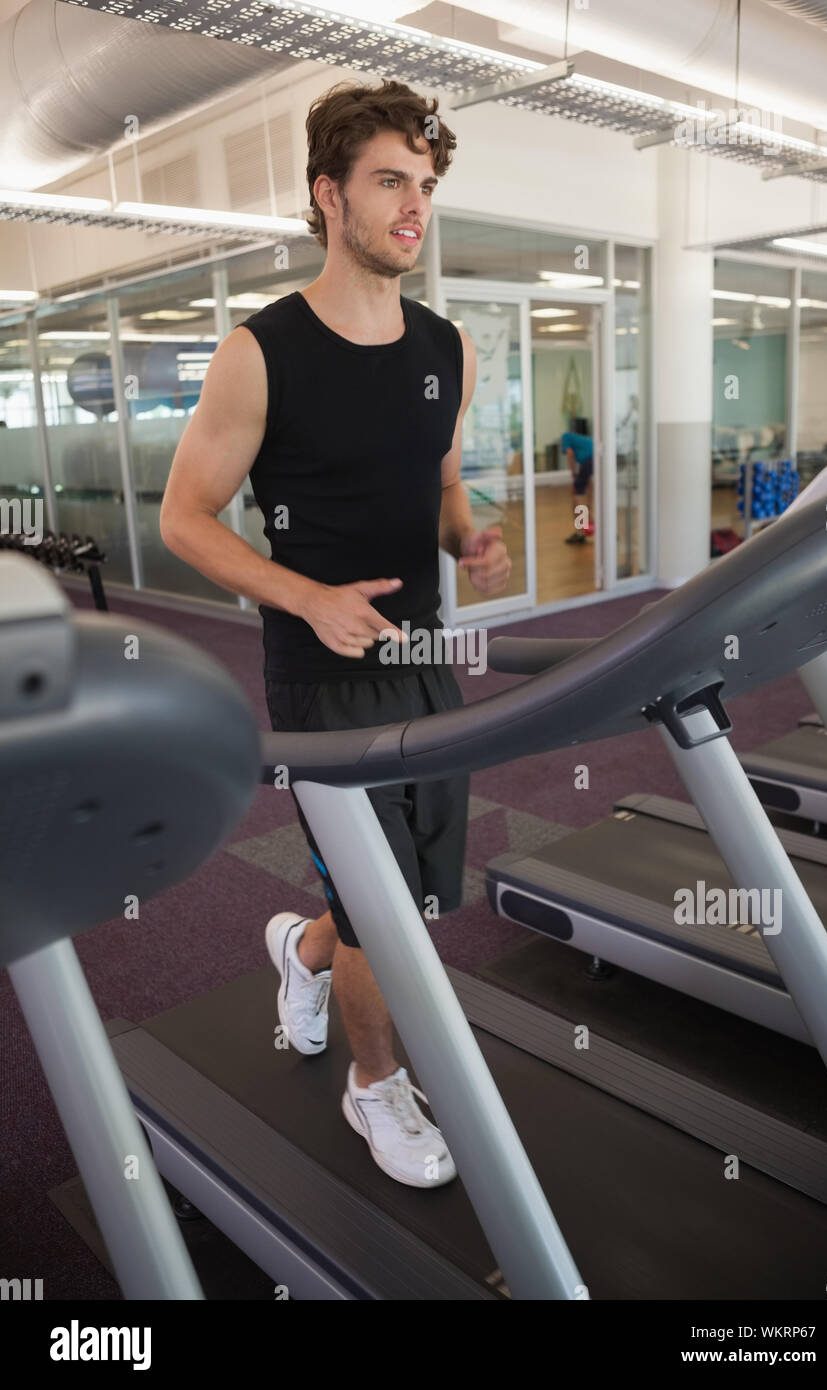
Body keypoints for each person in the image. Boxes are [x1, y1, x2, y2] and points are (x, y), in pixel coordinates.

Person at [159, 78, 511, 1191]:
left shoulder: (445, 346)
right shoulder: (260, 352)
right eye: (389, 183)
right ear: (328, 196)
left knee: (407, 891)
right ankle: (372, 1087)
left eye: (424, 185)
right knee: (380, 916)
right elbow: (182, 519)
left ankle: (293, 949)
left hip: (421, 660)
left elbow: (445, 485)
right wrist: (304, 594)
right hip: (322, 678)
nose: (414, 207)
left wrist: (469, 536)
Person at [561, 421, 594, 544]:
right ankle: (602, 529)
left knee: (577, 497)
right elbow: (590, 482)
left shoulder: (565, 437)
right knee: (582, 493)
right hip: (596, 459)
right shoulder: (585, 441)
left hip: (589, 461)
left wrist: (573, 475)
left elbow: (570, 454)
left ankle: (581, 532)